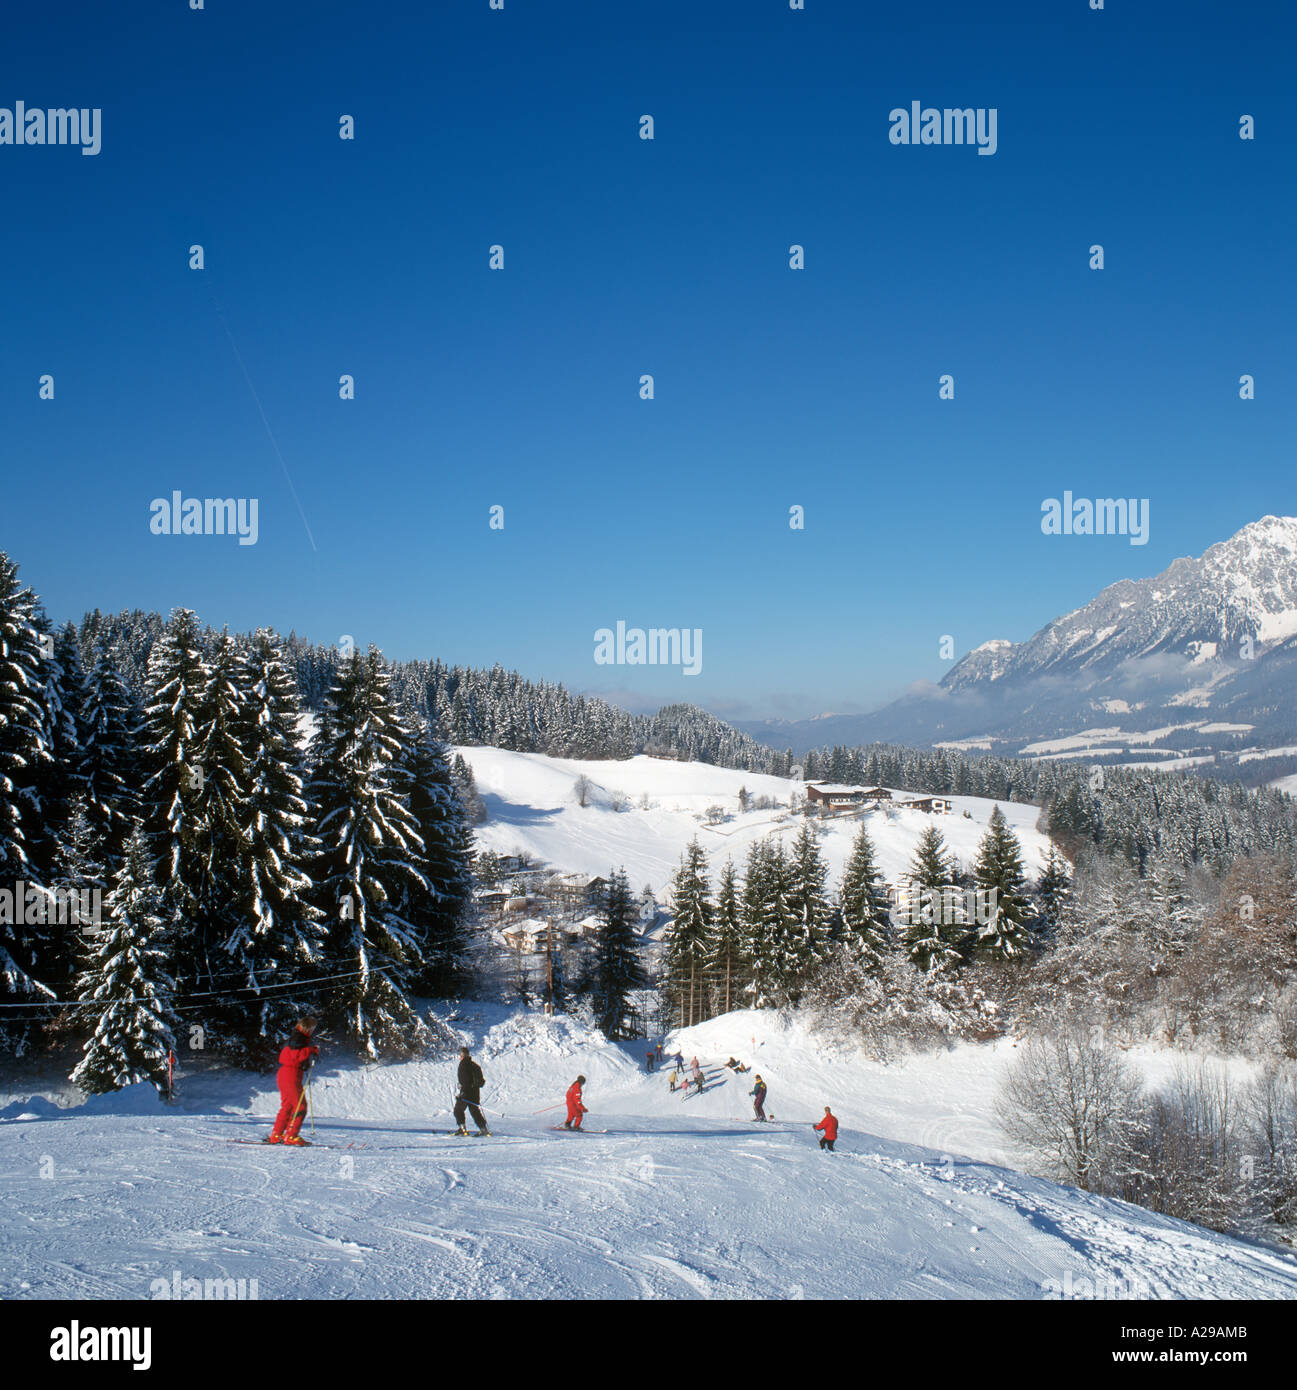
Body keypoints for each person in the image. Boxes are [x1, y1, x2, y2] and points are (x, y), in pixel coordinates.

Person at [268, 1016, 319, 1145]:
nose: (313, 1031)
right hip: (291, 1073)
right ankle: (291, 1135)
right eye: (312, 1028)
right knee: (300, 1106)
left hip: (286, 1073)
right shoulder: (299, 1039)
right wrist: (312, 1050)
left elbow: (295, 1055)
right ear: (307, 1027)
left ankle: (276, 1134)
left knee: (288, 1106)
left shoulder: (295, 1038)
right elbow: (297, 1055)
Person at [455, 1046, 489, 1136]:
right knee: (474, 1110)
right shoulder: (475, 1065)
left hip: (466, 1092)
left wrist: (462, 1093)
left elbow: (464, 1081)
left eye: (460, 1055)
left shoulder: (463, 1065)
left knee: (458, 1109)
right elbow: (481, 1081)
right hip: (475, 1093)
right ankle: (483, 1128)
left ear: (462, 1055)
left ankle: (462, 1128)